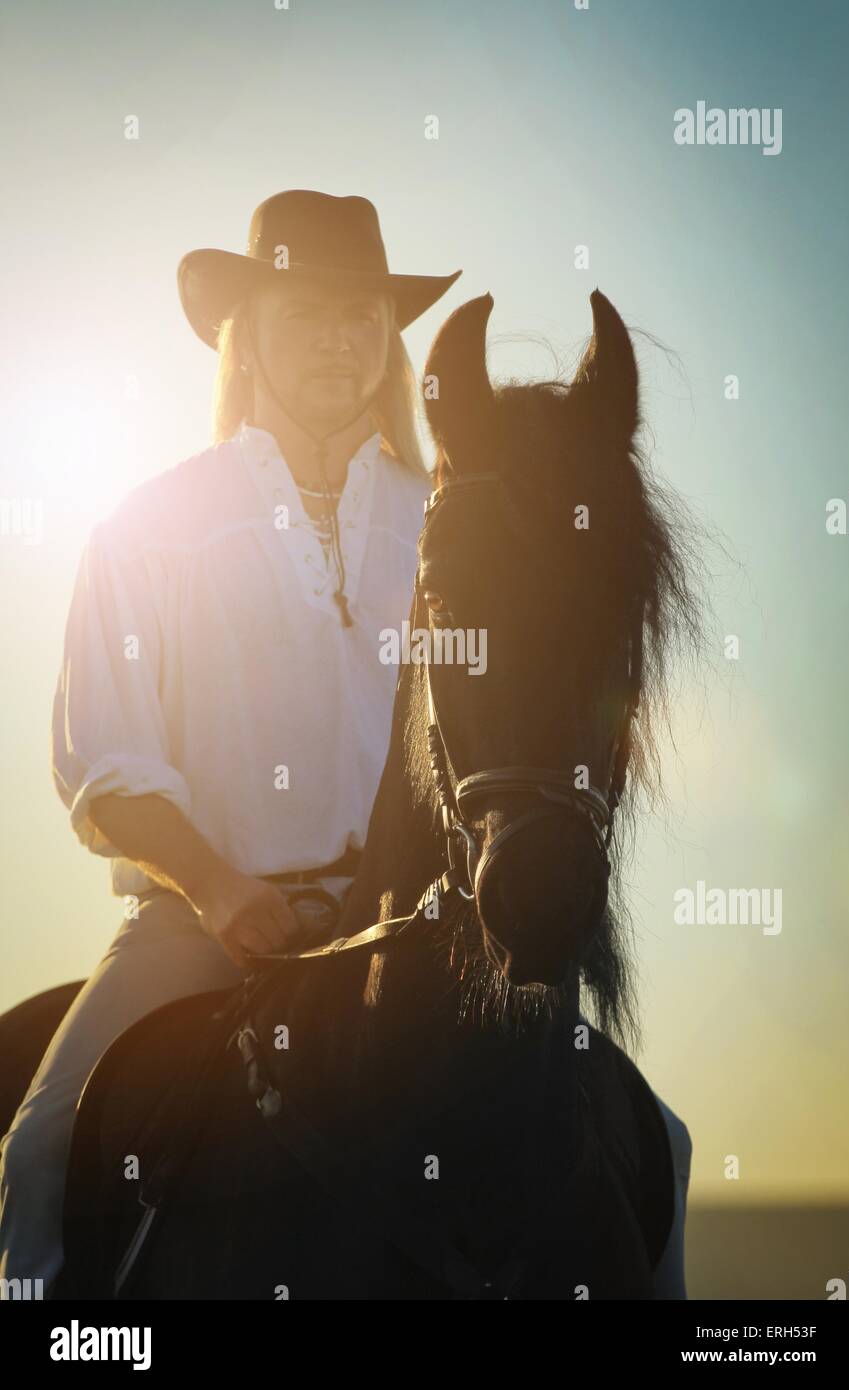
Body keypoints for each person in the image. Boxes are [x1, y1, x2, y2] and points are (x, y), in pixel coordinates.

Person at [0, 189, 462, 1297]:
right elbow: (102, 764)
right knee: (42, 1149)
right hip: (203, 927)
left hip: (413, 932)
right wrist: (215, 886)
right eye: (308, 310)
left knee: (654, 1141)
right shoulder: (146, 523)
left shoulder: (446, 522)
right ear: (242, 332)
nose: (341, 338)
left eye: (363, 316)